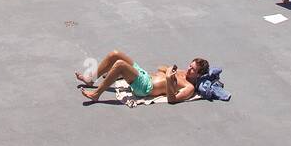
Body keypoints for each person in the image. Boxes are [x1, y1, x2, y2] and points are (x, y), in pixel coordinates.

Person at [76, 51, 209, 103]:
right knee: (115, 54)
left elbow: (172, 100)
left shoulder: (189, 87)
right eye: (190, 65)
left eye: (192, 69)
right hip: (144, 75)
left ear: (198, 75)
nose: (188, 69)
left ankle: (97, 94)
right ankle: (90, 80)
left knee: (120, 65)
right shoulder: (182, 72)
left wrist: (169, 80)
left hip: (145, 87)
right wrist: (168, 70)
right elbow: (160, 67)